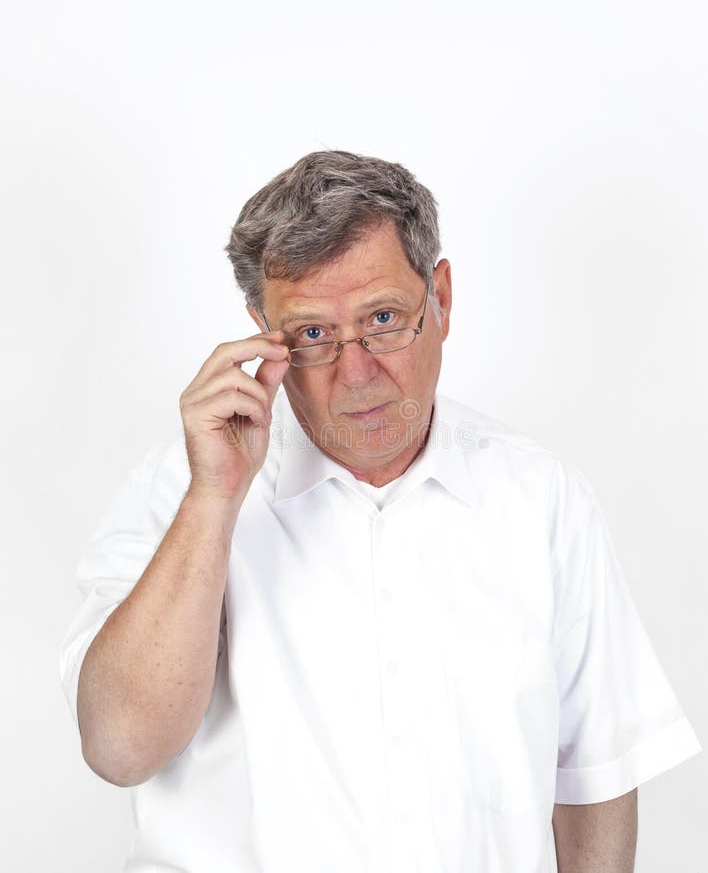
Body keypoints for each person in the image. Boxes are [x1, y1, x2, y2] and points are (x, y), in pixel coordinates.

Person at [59, 149, 702, 873]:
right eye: (311, 335)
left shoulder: (541, 499)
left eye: (385, 318)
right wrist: (213, 502)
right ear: (261, 332)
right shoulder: (177, 490)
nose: (356, 373)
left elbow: (596, 774)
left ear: (443, 299)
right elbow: (119, 747)